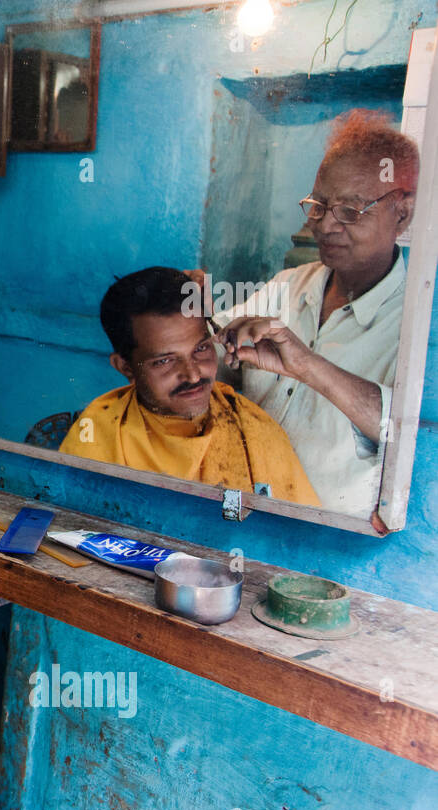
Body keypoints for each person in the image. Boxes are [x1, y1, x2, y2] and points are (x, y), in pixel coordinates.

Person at [216, 110, 418, 521]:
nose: (325, 226)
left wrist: (305, 364)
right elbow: (216, 352)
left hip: (327, 541)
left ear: (402, 213)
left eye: (350, 211)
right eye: (318, 205)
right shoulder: (288, 286)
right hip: (239, 517)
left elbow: (404, 433)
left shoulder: (415, 325)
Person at [60, 268, 320, 506]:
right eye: (165, 361)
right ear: (126, 367)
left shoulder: (253, 430)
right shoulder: (100, 431)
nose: (194, 375)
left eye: (201, 348)